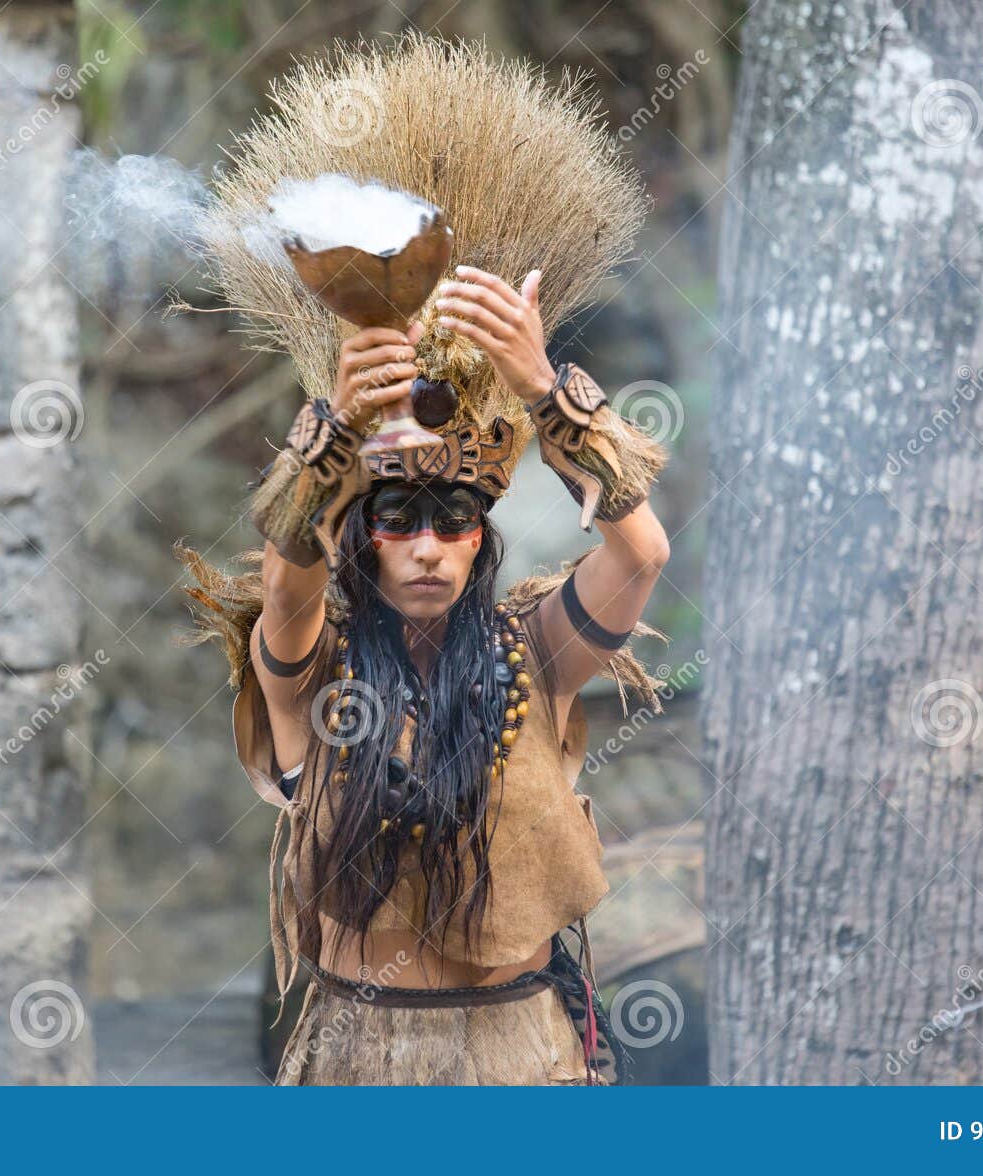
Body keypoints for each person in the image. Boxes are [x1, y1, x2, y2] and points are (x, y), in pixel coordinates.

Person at [177, 32, 670, 1085]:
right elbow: (287, 581)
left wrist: (548, 394)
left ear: (483, 536)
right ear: (359, 532)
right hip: (358, 1064)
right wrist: (337, 437)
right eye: (395, 519)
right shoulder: (312, 668)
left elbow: (640, 554)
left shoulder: (533, 647)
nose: (427, 548)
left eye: (454, 523)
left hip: (522, 1058)